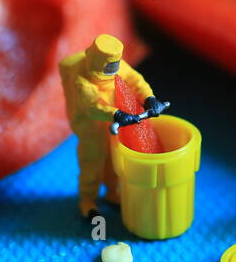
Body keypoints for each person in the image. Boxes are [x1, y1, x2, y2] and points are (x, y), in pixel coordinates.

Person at [58, 34, 163, 217]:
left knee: (113, 161)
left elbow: (134, 79)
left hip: (114, 127)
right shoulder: (82, 79)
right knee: (92, 165)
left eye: (114, 65)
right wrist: (116, 114)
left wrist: (149, 97)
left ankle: (113, 193)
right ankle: (88, 201)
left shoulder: (117, 67)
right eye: (109, 66)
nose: (113, 69)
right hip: (90, 130)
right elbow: (91, 107)